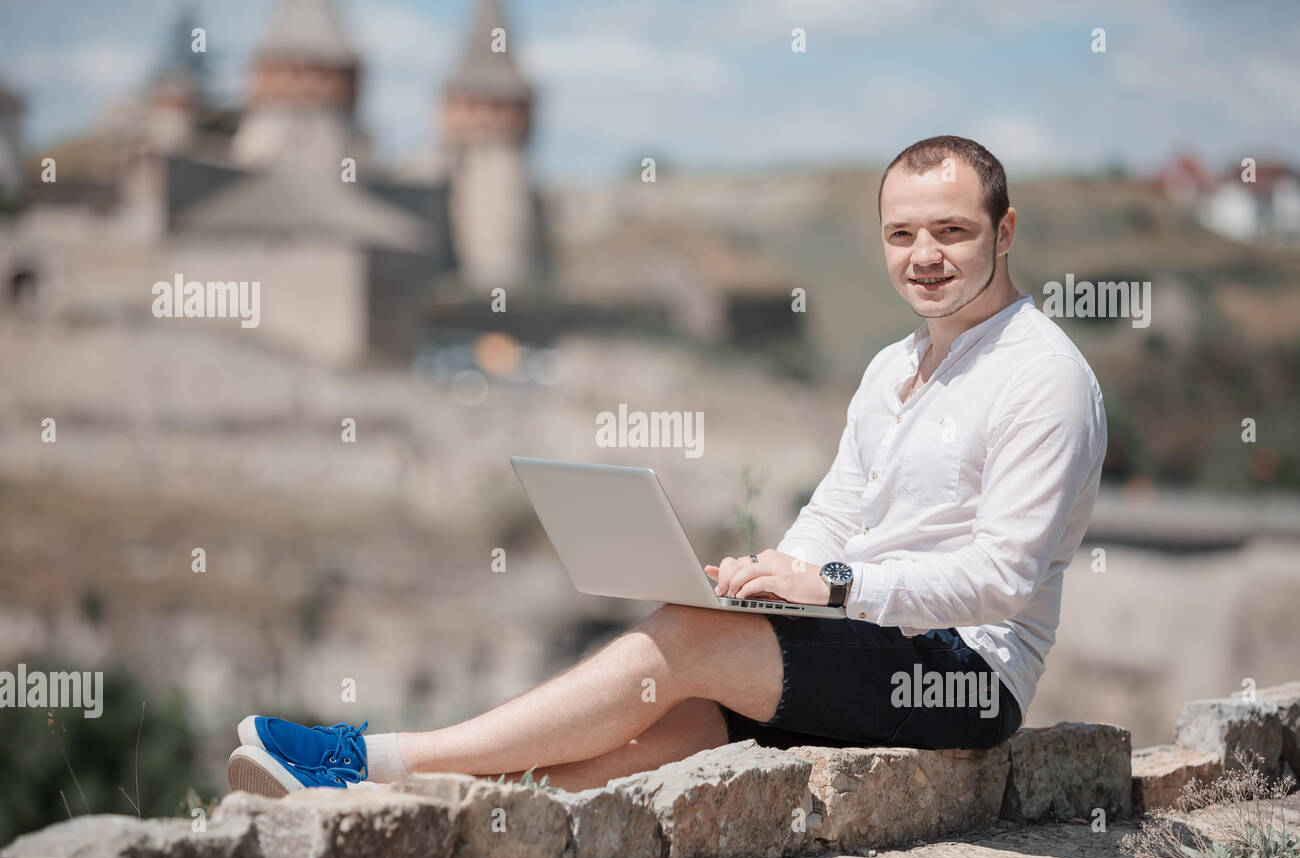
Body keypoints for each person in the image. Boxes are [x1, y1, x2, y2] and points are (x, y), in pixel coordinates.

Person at [226, 134, 1108, 798]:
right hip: (870, 639)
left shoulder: (1044, 377)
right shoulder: (890, 367)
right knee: (663, 714)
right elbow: (836, 514)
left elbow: (1004, 577)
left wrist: (833, 589)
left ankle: (366, 760)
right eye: (902, 233)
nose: (924, 256)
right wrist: (768, 581)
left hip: (960, 676)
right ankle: (429, 811)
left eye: (952, 230)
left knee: (682, 643)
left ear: (1006, 230)